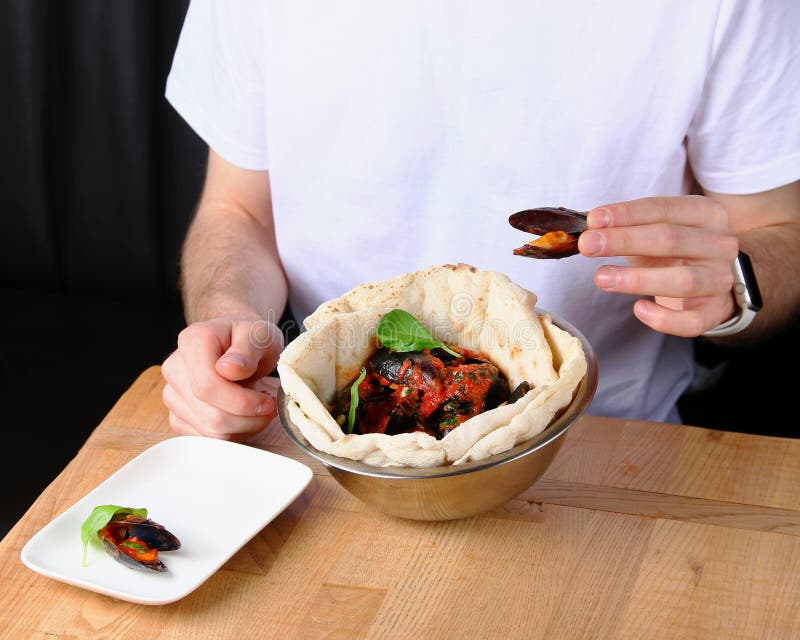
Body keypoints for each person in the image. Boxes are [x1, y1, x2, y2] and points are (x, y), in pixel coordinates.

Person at [160, 1, 800, 441]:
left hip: (610, 443)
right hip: (322, 438)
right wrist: (233, 330)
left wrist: (735, 288)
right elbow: (237, 211)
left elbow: (780, 233)